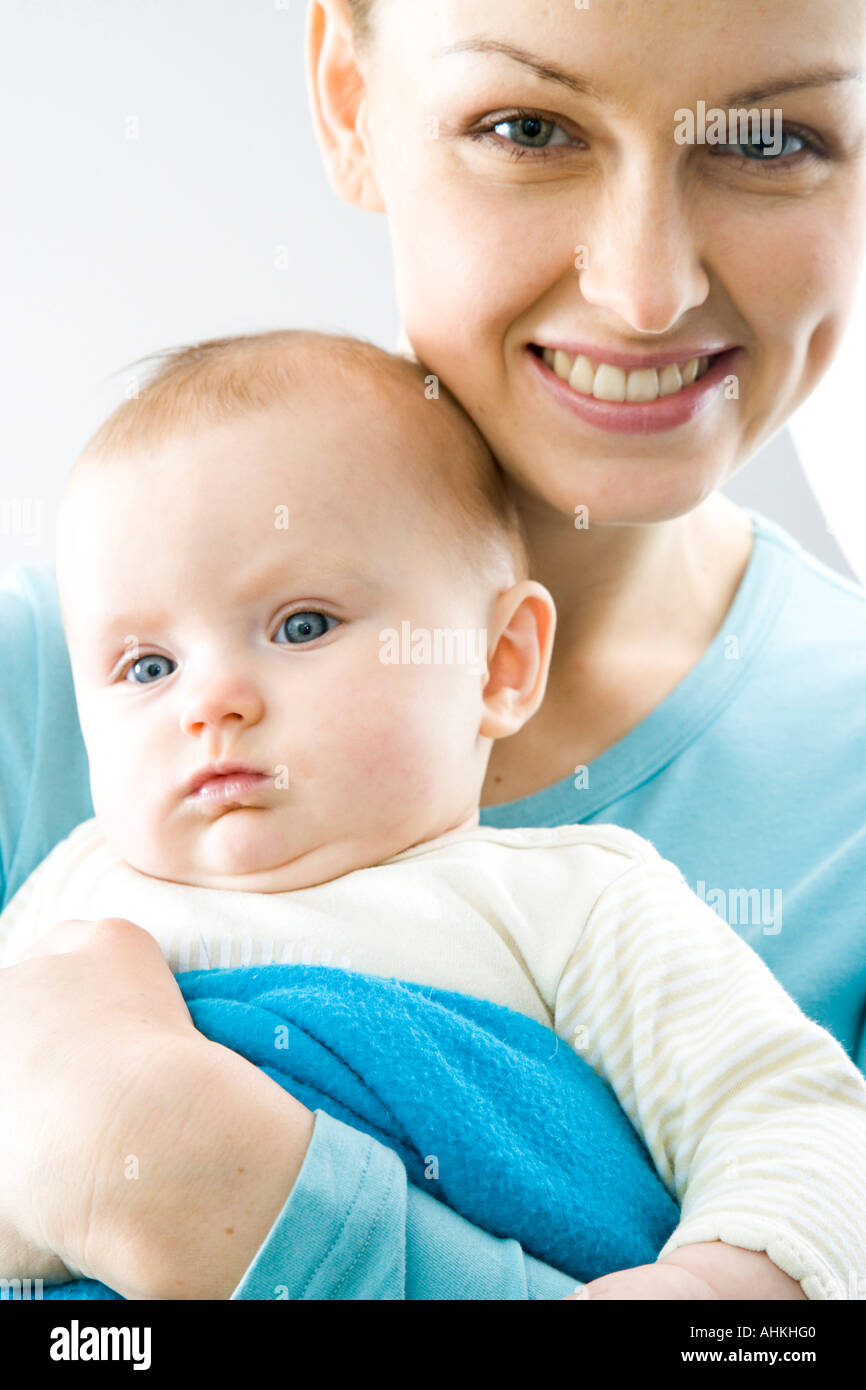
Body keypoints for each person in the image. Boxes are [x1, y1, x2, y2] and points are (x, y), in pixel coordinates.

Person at [1, 0, 865, 1300]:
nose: (644, 290)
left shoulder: (692, 866)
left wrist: (214, 1191)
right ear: (350, 98)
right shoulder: (41, 709)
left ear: (504, 661)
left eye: (767, 138)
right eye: (526, 126)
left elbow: (807, 1162)